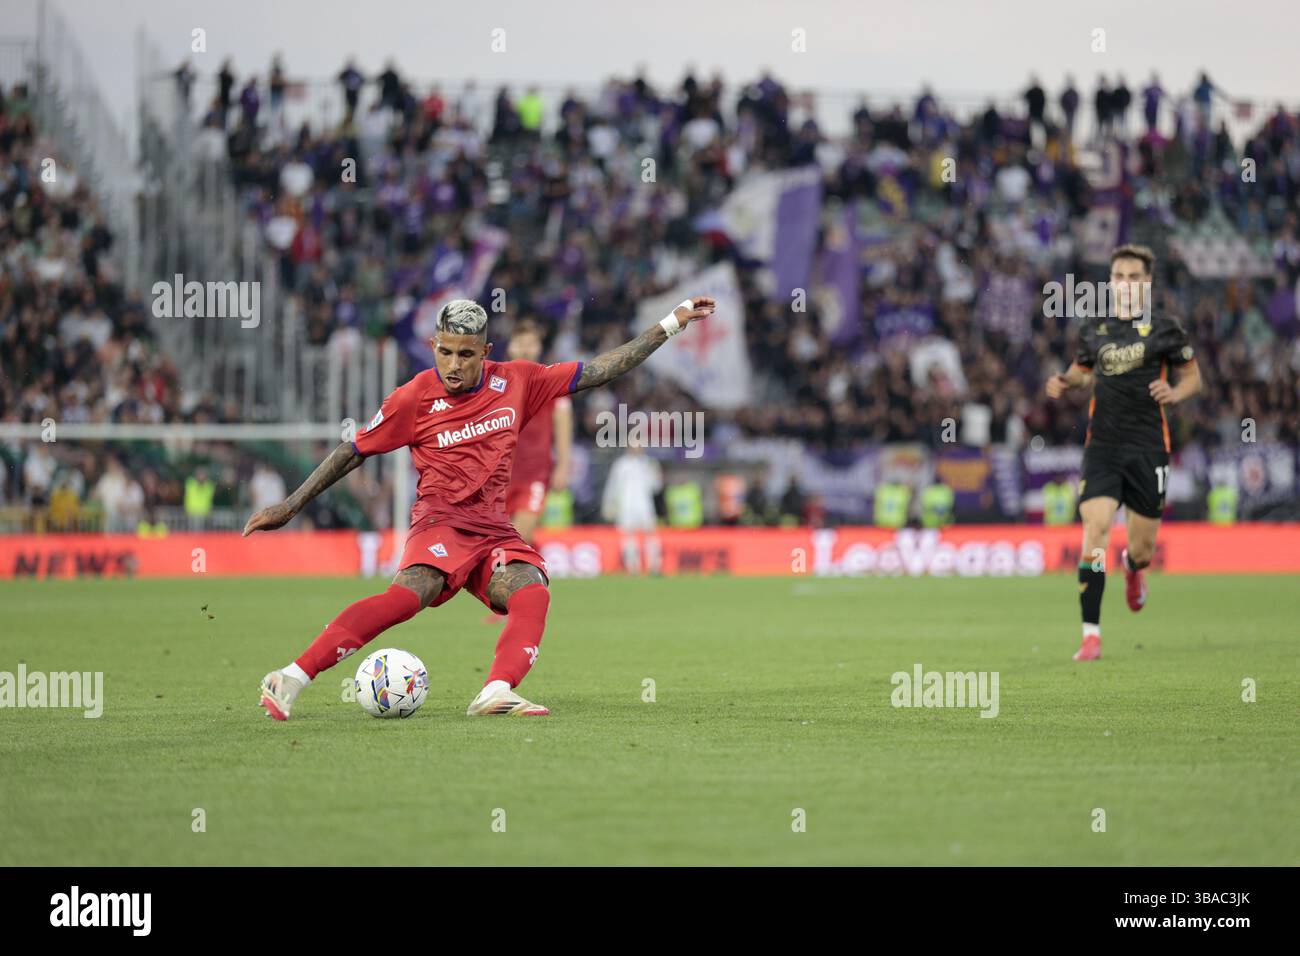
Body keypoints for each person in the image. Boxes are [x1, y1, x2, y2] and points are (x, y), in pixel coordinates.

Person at [248, 295, 715, 719]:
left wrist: (670, 323)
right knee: (408, 598)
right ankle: (290, 676)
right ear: (434, 345)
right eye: (445, 351)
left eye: (466, 354)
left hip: (492, 529)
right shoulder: (413, 398)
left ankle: (495, 690)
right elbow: (353, 451)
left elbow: (600, 370)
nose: (453, 364)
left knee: (532, 589)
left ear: (485, 353)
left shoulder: (518, 380)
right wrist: (290, 505)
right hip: (440, 523)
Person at [1044, 244, 1202, 662]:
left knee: (1142, 549)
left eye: (1134, 278)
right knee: (1094, 528)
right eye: (1119, 277)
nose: (1126, 285)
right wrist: (1066, 381)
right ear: (1110, 282)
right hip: (1103, 447)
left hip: (1149, 447)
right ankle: (1090, 635)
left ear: (1146, 283)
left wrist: (1175, 392)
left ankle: (1134, 571)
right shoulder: (1094, 329)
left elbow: (1193, 378)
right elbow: (1083, 372)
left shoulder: (1167, 329)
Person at [502, 321, 572, 545]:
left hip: (534, 474)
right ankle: (532, 568)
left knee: (519, 537)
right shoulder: (497, 384)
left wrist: (562, 466)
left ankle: (527, 569)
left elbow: (563, 422)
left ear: (539, 347)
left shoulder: (551, 382)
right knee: (500, 540)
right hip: (497, 476)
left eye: (531, 344)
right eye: (520, 343)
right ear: (510, 347)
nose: (525, 349)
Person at [601, 440, 663, 575]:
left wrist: (655, 473)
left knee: (651, 536)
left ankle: (654, 566)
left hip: (645, 505)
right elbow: (613, 487)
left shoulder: (648, 464)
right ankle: (633, 568)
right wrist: (609, 505)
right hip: (626, 507)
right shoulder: (621, 465)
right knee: (628, 537)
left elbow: (656, 487)